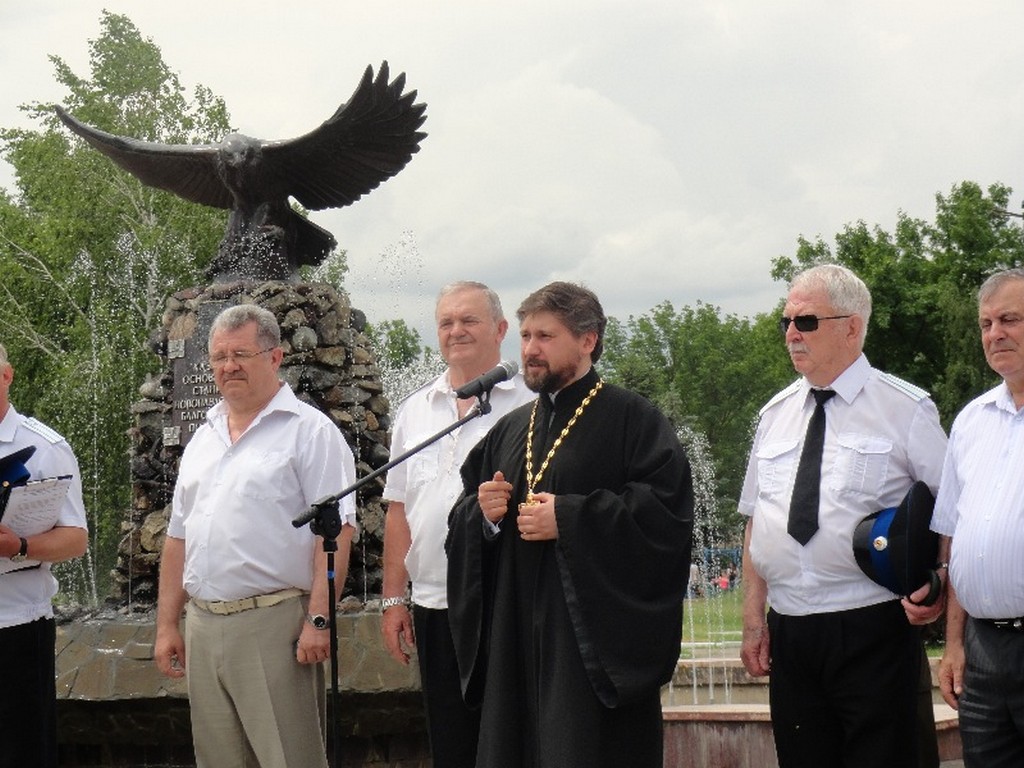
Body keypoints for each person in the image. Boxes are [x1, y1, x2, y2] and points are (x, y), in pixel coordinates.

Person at [446, 281, 694, 768]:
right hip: (516, 638)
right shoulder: (511, 428)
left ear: (587, 340)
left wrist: (571, 517)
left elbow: (665, 515)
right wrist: (485, 516)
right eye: (526, 336)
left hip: (590, 650)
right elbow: (461, 519)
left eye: (545, 336)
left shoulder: (633, 420)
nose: (531, 351)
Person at [739, 264, 948, 768]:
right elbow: (756, 517)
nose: (791, 333)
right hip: (791, 629)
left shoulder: (906, 409)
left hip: (873, 624)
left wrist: (940, 580)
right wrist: (753, 613)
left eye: (806, 321)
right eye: (785, 321)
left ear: (851, 326)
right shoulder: (774, 416)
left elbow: (952, 511)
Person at [154, 304, 357, 768]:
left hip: (275, 626)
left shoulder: (309, 432)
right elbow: (177, 538)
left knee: (290, 760)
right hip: (203, 627)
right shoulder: (203, 436)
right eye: (219, 357)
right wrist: (168, 624)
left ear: (275, 356)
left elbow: (336, 533)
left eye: (241, 354)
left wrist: (319, 619)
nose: (229, 366)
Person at [380, 281, 533, 767]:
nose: (456, 331)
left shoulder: (531, 404)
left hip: (502, 603)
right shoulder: (415, 410)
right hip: (431, 603)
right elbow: (399, 509)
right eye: (446, 322)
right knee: (452, 745)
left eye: (469, 320)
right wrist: (391, 599)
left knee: (509, 743)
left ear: (501, 329)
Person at [933, 267, 1024, 767]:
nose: (995, 334)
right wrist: (953, 645)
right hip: (984, 652)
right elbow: (954, 542)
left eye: (1009, 319)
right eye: (986, 324)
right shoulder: (970, 421)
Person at [0, 343, 88, 768]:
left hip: (14, 626)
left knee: (22, 752)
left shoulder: (44, 447)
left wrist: (19, 546)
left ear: (6, 376)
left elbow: (76, 539)